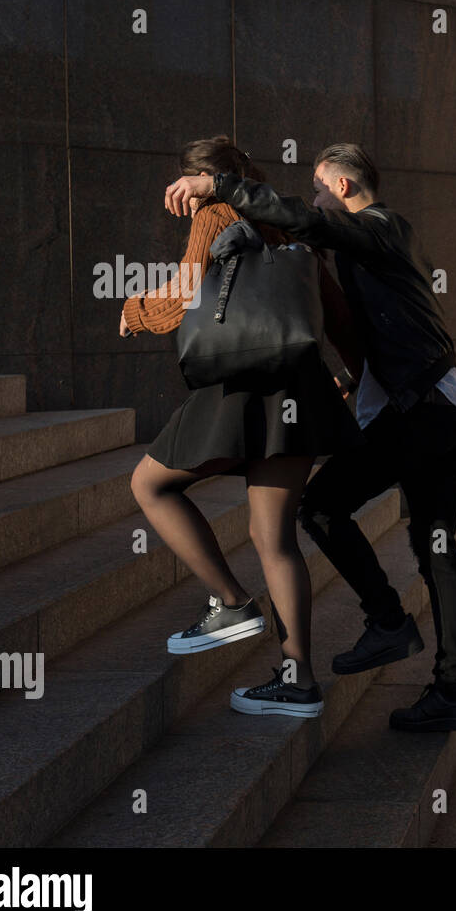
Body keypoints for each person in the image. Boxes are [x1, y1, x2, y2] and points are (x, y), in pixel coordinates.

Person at [164, 143, 456, 732]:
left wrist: (221, 188)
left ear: (340, 187)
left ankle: (387, 620)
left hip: (421, 413)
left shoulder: (376, 227)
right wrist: (352, 383)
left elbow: (305, 220)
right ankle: (453, 688)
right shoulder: (392, 237)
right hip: (447, 410)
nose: (310, 198)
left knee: (322, 507)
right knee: (437, 549)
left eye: (316, 186)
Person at [122, 135, 364, 719]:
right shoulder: (290, 221)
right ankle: (299, 680)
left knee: (149, 486)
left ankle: (231, 602)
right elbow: (338, 316)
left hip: (237, 387)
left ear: (195, 181)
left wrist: (133, 311)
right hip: (299, 389)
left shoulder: (216, 212)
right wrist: (353, 379)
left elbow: (183, 294)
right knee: (275, 539)